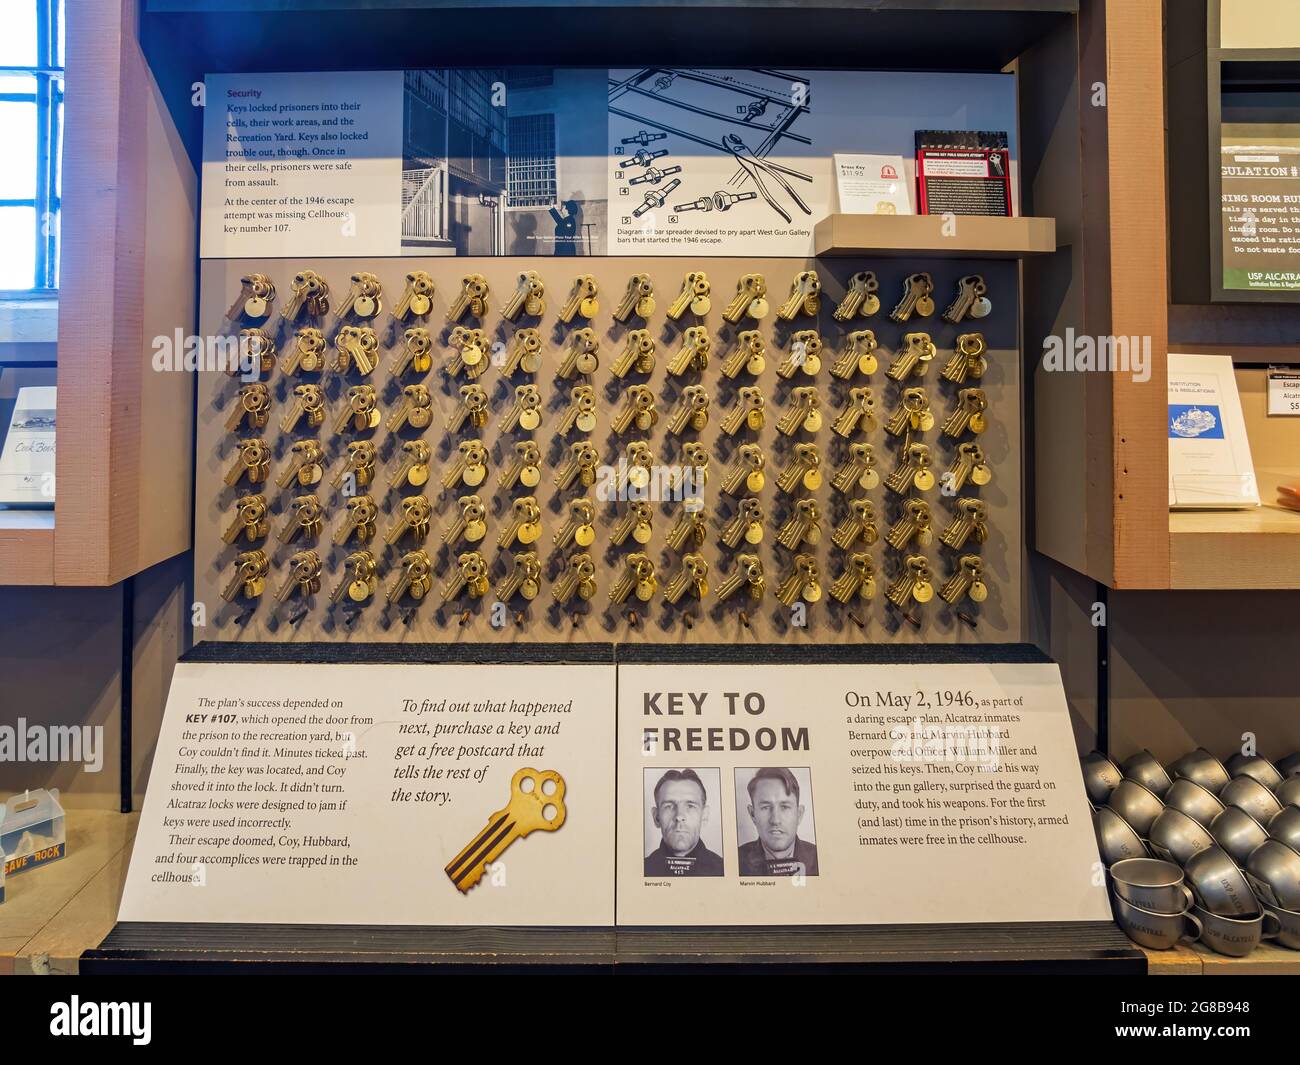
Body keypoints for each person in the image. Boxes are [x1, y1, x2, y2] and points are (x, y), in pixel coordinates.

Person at [738, 767, 818, 876]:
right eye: (765, 807)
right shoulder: (735, 860)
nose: (775, 820)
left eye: (784, 807)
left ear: (799, 814)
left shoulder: (820, 858)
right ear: (752, 814)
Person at [644, 769, 724, 877]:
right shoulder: (642, 870)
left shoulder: (723, 870)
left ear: (704, 815)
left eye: (690, 806)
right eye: (669, 806)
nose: (679, 816)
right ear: (656, 817)